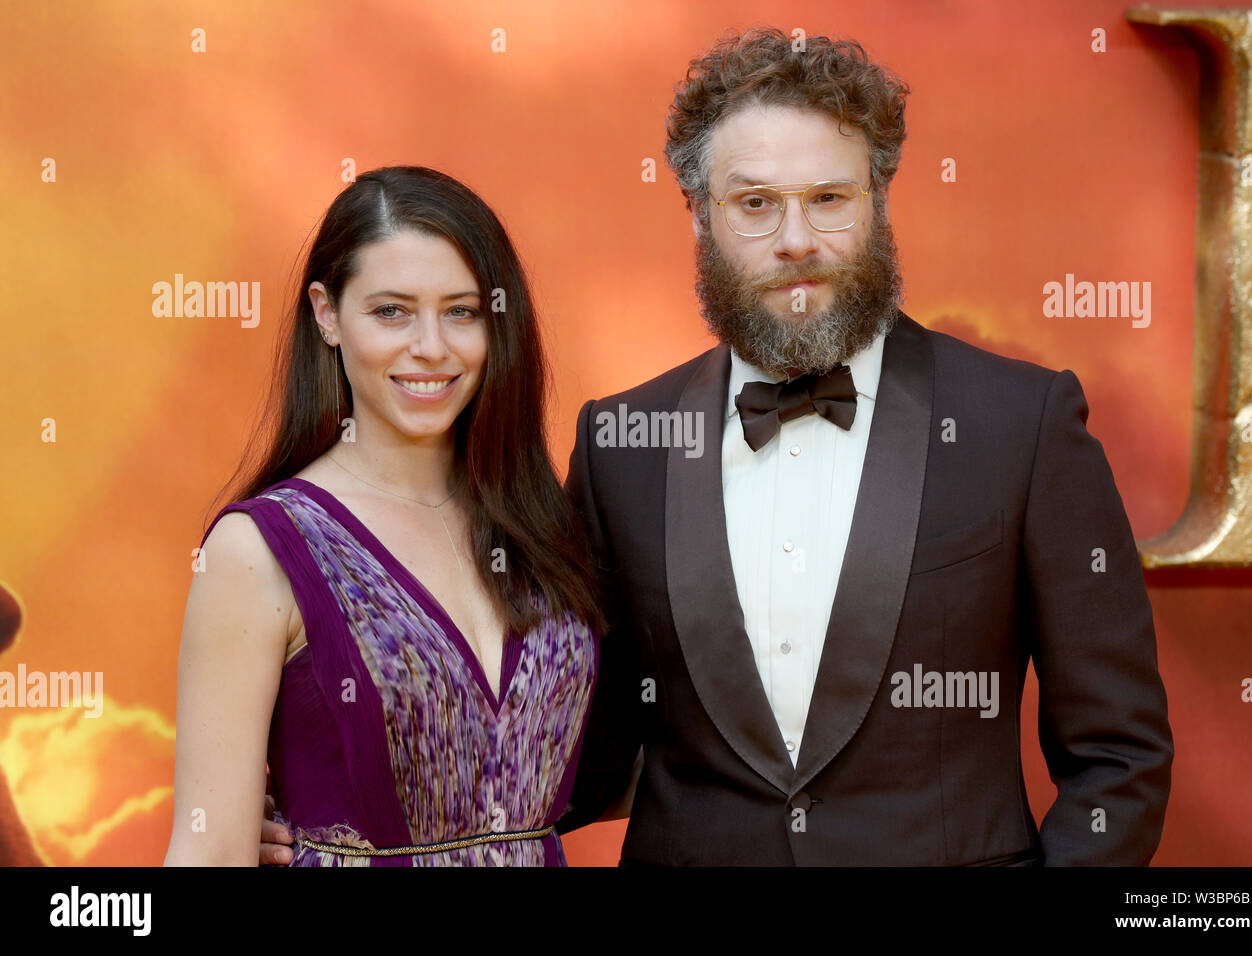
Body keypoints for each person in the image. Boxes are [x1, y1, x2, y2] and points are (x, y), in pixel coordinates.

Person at [552, 28, 1174, 865]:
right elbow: (571, 753)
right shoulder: (619, 445)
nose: (797, 239)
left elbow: (1119, 757)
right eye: (756, 203)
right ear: (699, 215)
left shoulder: (1023, 425)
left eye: (830, 199)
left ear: (880, 198)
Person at [165, 166, 603, 866]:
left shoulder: (547, 522)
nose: (431, 347)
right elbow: (209, 851)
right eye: (391, 311)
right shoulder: (259, 550)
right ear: (327, 314)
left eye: (461, 312)